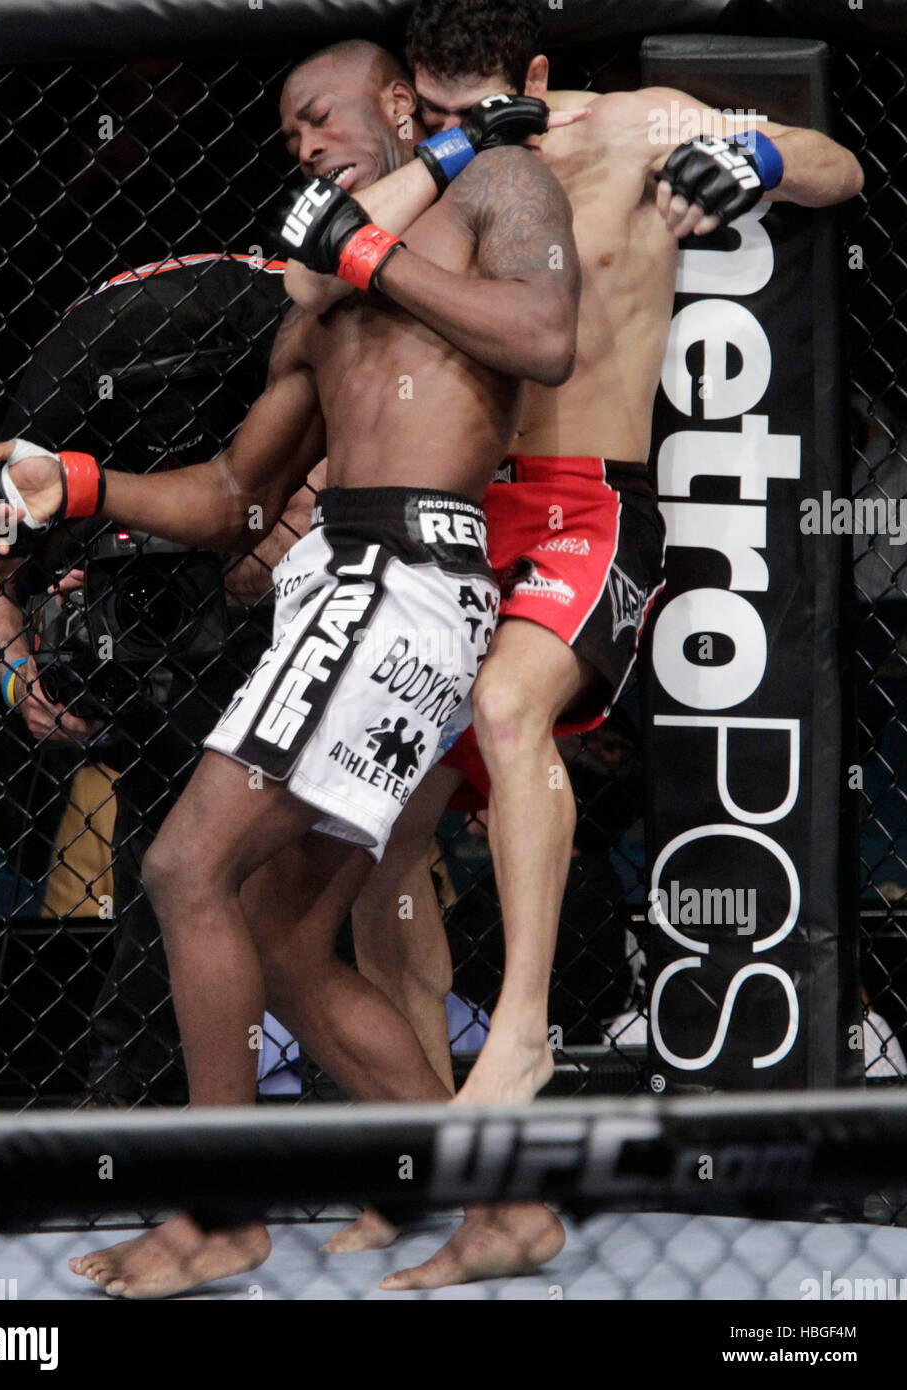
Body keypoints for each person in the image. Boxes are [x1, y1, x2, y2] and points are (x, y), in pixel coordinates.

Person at [0, 40, 579, 1296]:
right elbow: (236, 497)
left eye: (320, 117)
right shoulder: (317, 311)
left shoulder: (495, 190)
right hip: (340, 588)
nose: (300, 143)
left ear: (401, 106)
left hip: (399, 576)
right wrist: (74, 481)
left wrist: (367, 252)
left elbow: (547, 333)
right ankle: (499, 1206)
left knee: (186, 862)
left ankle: (215, 1211)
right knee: (283, 937)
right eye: (287, 133)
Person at [278, 0, 864, 1288]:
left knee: (504, 710)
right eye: (425, 112)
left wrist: (761, 159)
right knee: (387, 823)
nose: (449, 133)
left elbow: (841, 166)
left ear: (536, 77)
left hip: (593, 502)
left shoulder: (636, 132)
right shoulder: (418, 185)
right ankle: (434, 1165)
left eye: (471, 105)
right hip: (454, 517)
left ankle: (528, 1025)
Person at [0, 251, 314, 1104]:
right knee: (172, 863)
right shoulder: (61, 398)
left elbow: (317, 510)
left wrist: (231, 564)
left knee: (233, 875)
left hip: (295, 618)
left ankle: (171, 1097)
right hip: (168, 679)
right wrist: (23, 679)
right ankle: (152, 1099)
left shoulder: (297, 330)